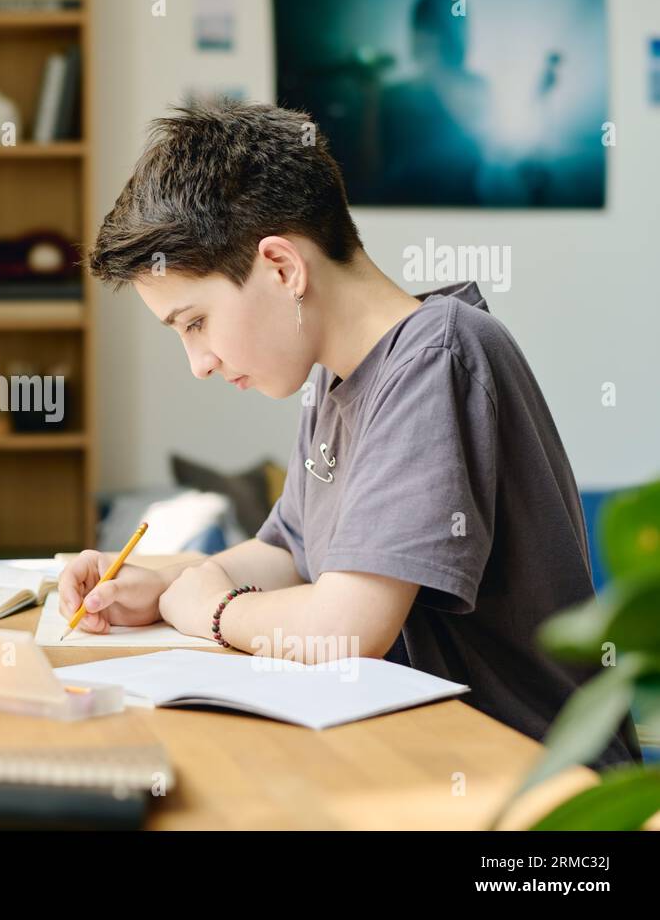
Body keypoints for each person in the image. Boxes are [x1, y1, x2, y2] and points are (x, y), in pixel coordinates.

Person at [63, 100, 638, 767]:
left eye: (194, 323)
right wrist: (166, 584)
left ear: (282, 268)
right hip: (428, 761)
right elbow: (288, 555)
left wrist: (213, 612)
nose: (200, 364)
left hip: (540, 796)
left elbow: (344, 629)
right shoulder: (335, 381)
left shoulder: (437, 357)